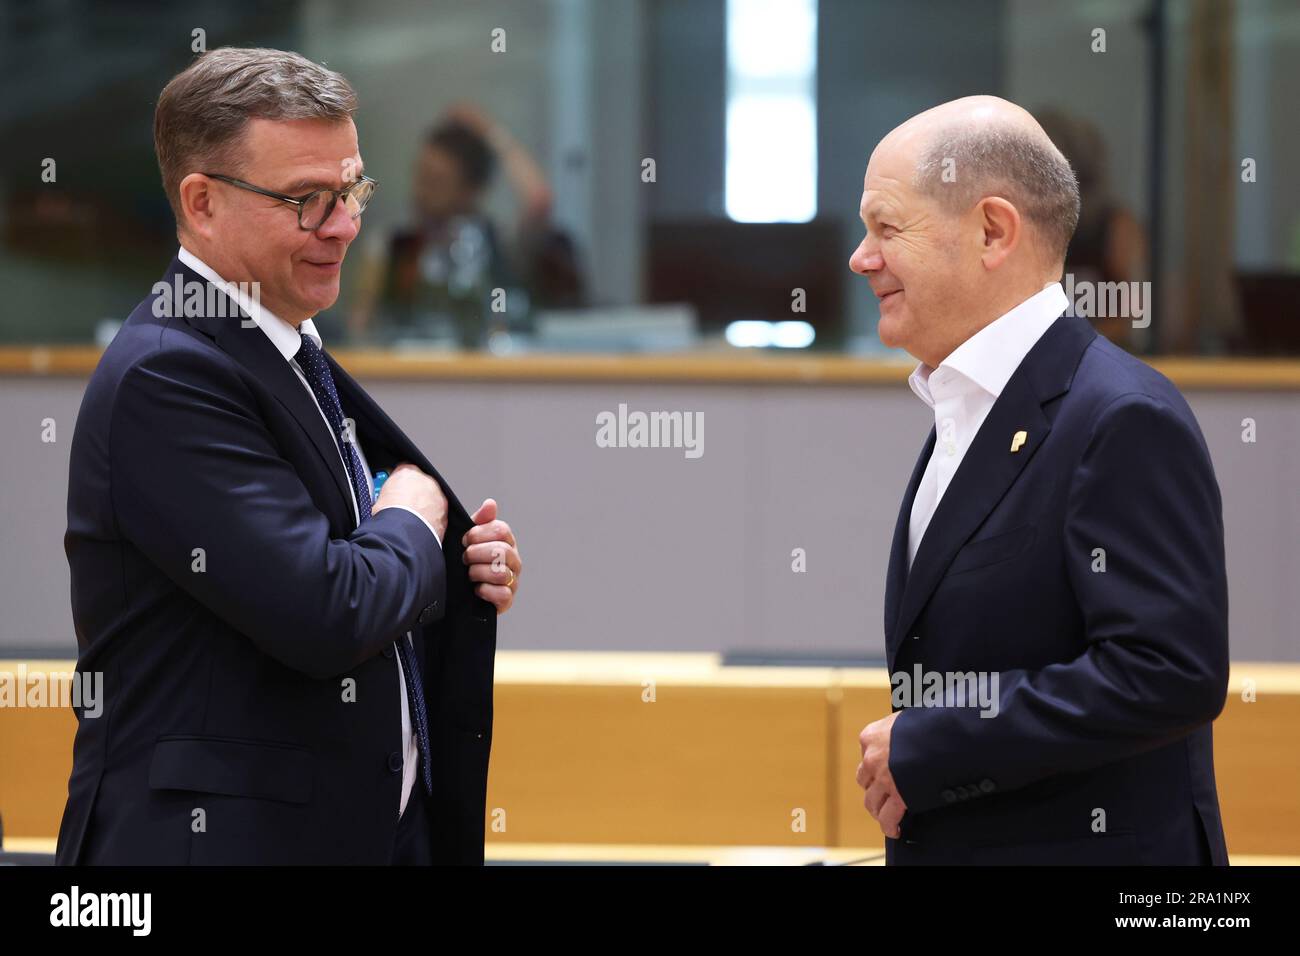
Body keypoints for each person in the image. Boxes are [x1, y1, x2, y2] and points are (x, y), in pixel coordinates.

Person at [56, 47, 522, 865]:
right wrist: (414, 526)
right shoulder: (168, 372)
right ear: (201, 203)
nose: (343, 225)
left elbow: (334, 550)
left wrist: (448, 564)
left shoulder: (280, 343)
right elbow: (325, 610)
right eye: (307, 199)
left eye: (351, 191)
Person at [849, 95, 1229, 865]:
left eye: (887, 228)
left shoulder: (1121, 416)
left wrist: (931, 744)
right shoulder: (968, 408)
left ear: (993, 230)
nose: (861, 257)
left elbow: (1169, 673)